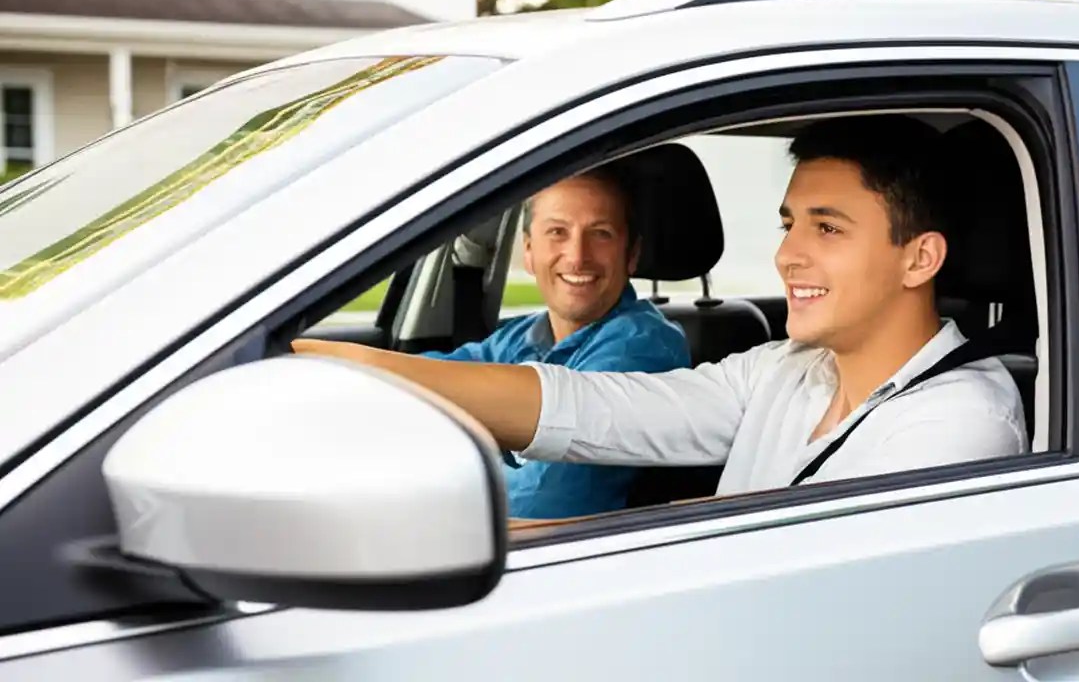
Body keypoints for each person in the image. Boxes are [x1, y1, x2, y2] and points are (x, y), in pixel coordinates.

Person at [295, 116, 1026, 496]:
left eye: (827, 228)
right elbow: (596, 410)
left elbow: (824, 596)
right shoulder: (788, 369)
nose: (787, 256)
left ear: (919, 258)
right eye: (788, 225)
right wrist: (336, 369)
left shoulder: (959, 422)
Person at [419, 166, 690, 518]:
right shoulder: (525, 334)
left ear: (632, 254)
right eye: (557, 232)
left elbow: (541, 503)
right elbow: (433, 379)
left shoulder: (642, 348)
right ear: (529, 252)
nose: (577, 256)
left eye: (601, 234)